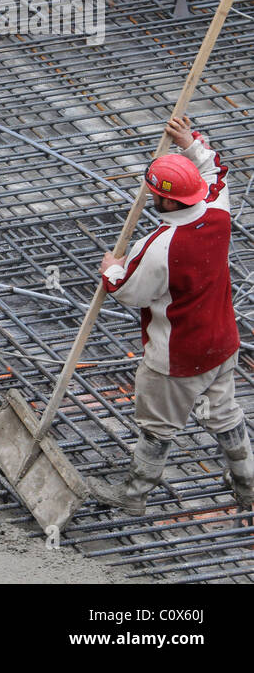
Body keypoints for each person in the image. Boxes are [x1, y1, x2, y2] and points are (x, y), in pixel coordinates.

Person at [89, 115, 251, 516]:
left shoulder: (159, 245)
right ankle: (247, 482)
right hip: (223, 341)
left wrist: (111, 266)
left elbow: (129, 291)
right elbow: (214, 170)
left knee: (157, 426)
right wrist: (190, 142)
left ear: (162, 200)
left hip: (175, 358)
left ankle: (134, 493)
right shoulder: (217, 210)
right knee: (223, 412)